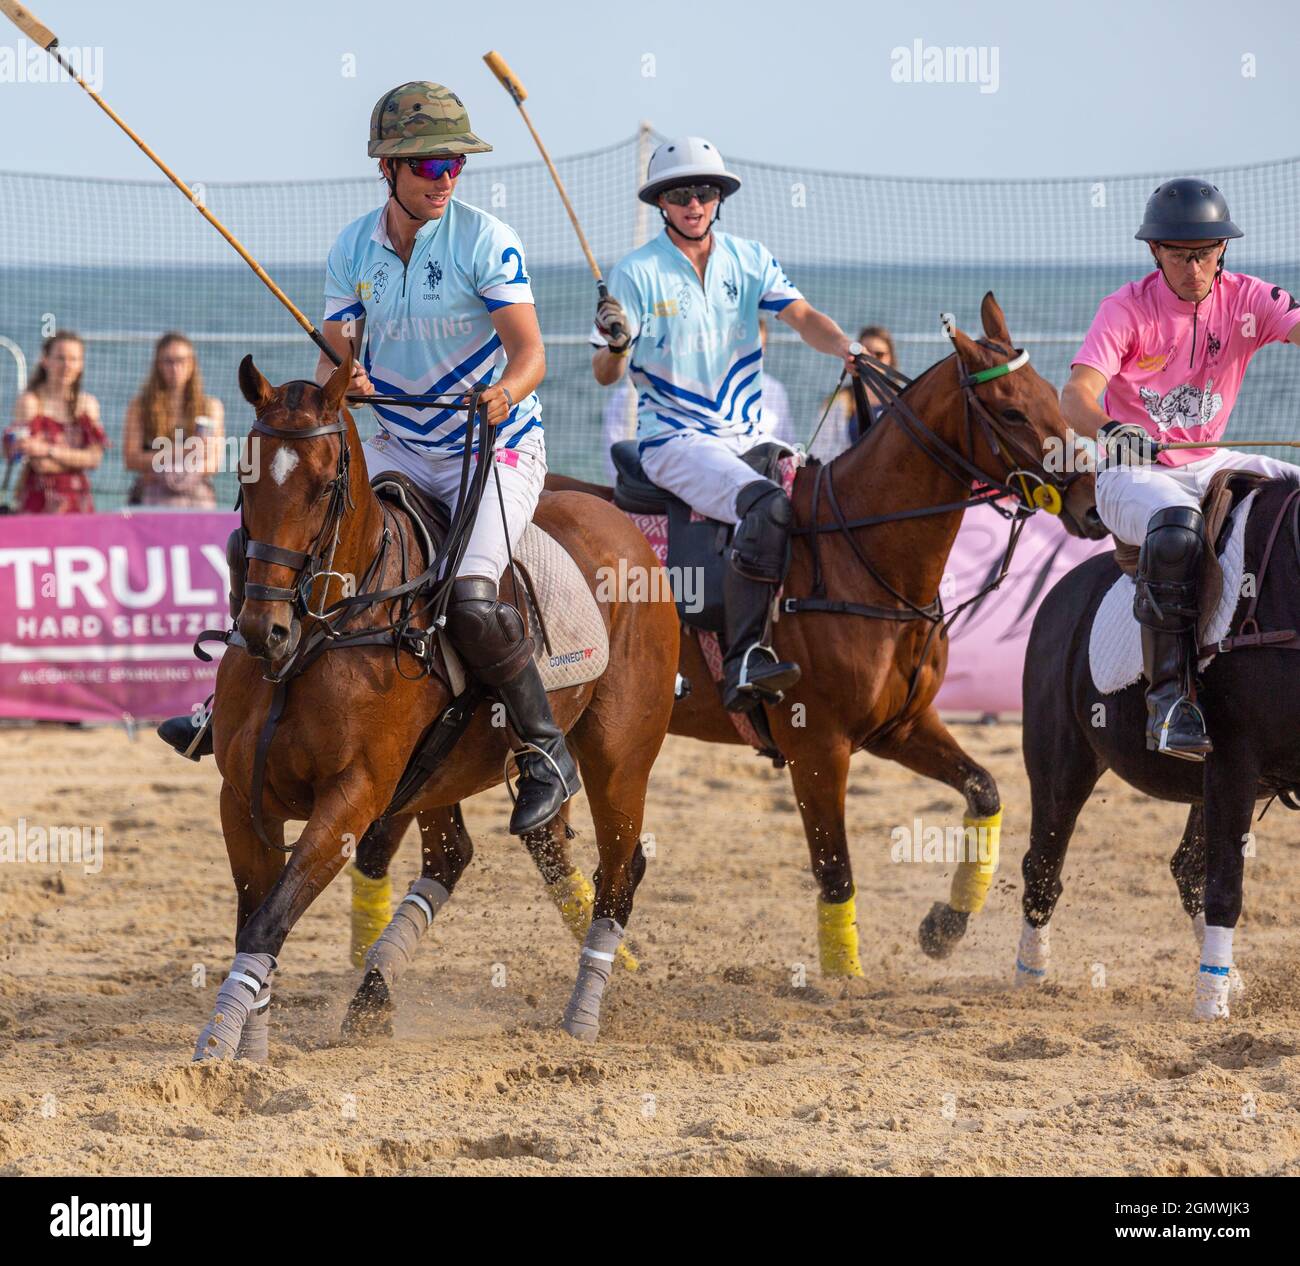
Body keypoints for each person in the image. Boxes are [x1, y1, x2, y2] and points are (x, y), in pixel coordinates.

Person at [158, 81, 576, 837]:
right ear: (389, 168)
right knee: (258, 545)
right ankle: (228, 701)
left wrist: (505, 395)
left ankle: (544, 750)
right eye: (428, 164)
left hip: (491, 448)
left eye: (454, 162)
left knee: (475, 600)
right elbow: (333, 372)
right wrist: (340, 382)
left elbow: (531, 353)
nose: (444, 176)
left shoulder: (486, 240)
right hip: (395, 443)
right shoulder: (353, 248)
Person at [590, 136, 856, 712]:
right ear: (662, 202)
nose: (694, 204)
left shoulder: (749, 258)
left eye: (705, 192)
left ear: (718, 199)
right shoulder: (635, 274)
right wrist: (617, 343)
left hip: (749, 434)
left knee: (821, 499)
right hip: (675, 440)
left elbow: (802, 316)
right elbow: (605, 375)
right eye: (681, 193)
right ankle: (741, 663)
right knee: (766, 506)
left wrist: (845, 348)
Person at [1061, 178, 1300, 760]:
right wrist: (1110, 429)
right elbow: (1075, 395)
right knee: (1176, 526)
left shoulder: (1250, 299)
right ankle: (1170, 702)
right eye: (1179, 253)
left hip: (1213, 458)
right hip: (1130, 472)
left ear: (1223, 249)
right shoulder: (1125, 309)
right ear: (1154, 252)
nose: (1195, 267)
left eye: (1206, 252)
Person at [4, 332, 105, 513]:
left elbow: (95, 459)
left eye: (74, 359)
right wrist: (77, 459)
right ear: (45, 360)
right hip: (40, 503)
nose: (67, 366)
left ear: (81, 364)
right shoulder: (30, 403)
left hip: (79, 504)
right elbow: (40, 464)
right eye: (60, 358)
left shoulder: (88, 405)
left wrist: (47, 450)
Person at [122, 332, 225, 508]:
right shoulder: (140, 406)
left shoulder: (210, 407)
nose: (175, 368)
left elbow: (213, 463)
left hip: (196, 498)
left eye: (182, 361)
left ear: (192, 364)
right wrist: (184, 452)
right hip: (152, 497)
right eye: (168, 361)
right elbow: (131, 459)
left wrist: (170, 473)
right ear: (158, 365)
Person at [808, 324, 895, 462]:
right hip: (847, 477)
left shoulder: (903, 400)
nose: (872, 360)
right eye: (866, 354)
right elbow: (818, 451)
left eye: (879, 354)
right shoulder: (838, 401)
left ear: (890, 358)